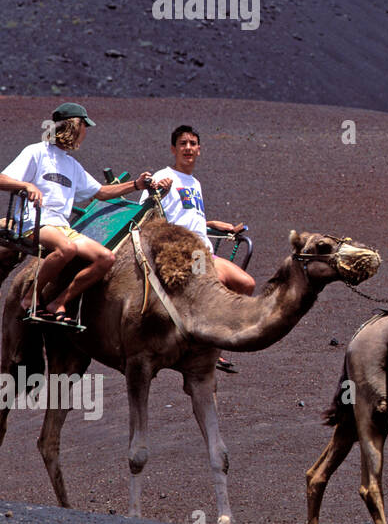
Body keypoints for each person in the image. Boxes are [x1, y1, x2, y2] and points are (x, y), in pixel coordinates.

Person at [1, 102, 170, 323]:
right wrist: (27, 186)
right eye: (84, 126)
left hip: (61, 227)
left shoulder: (72, 165)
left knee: (105, 258)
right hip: (34, 222)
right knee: (66, 248)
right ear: (73, 126)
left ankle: (58, 303)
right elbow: (2, 179)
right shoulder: (36, 152)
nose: (85, 133)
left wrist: (136, 185)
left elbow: (100, 192)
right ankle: (29, 299)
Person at [150, 124, 255, 373]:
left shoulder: (195, 183)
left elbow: (186, 216)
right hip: (179, 250)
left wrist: (211, 224)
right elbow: (146, 213)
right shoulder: (163, 177)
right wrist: (158, 192)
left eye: (193, 144)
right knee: (212, 284)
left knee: (246, 284)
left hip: (203, 249)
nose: (188, 148)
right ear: (173, 149)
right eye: (183, 144)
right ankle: (203, 342)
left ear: (199, 150)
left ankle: (213, 343)